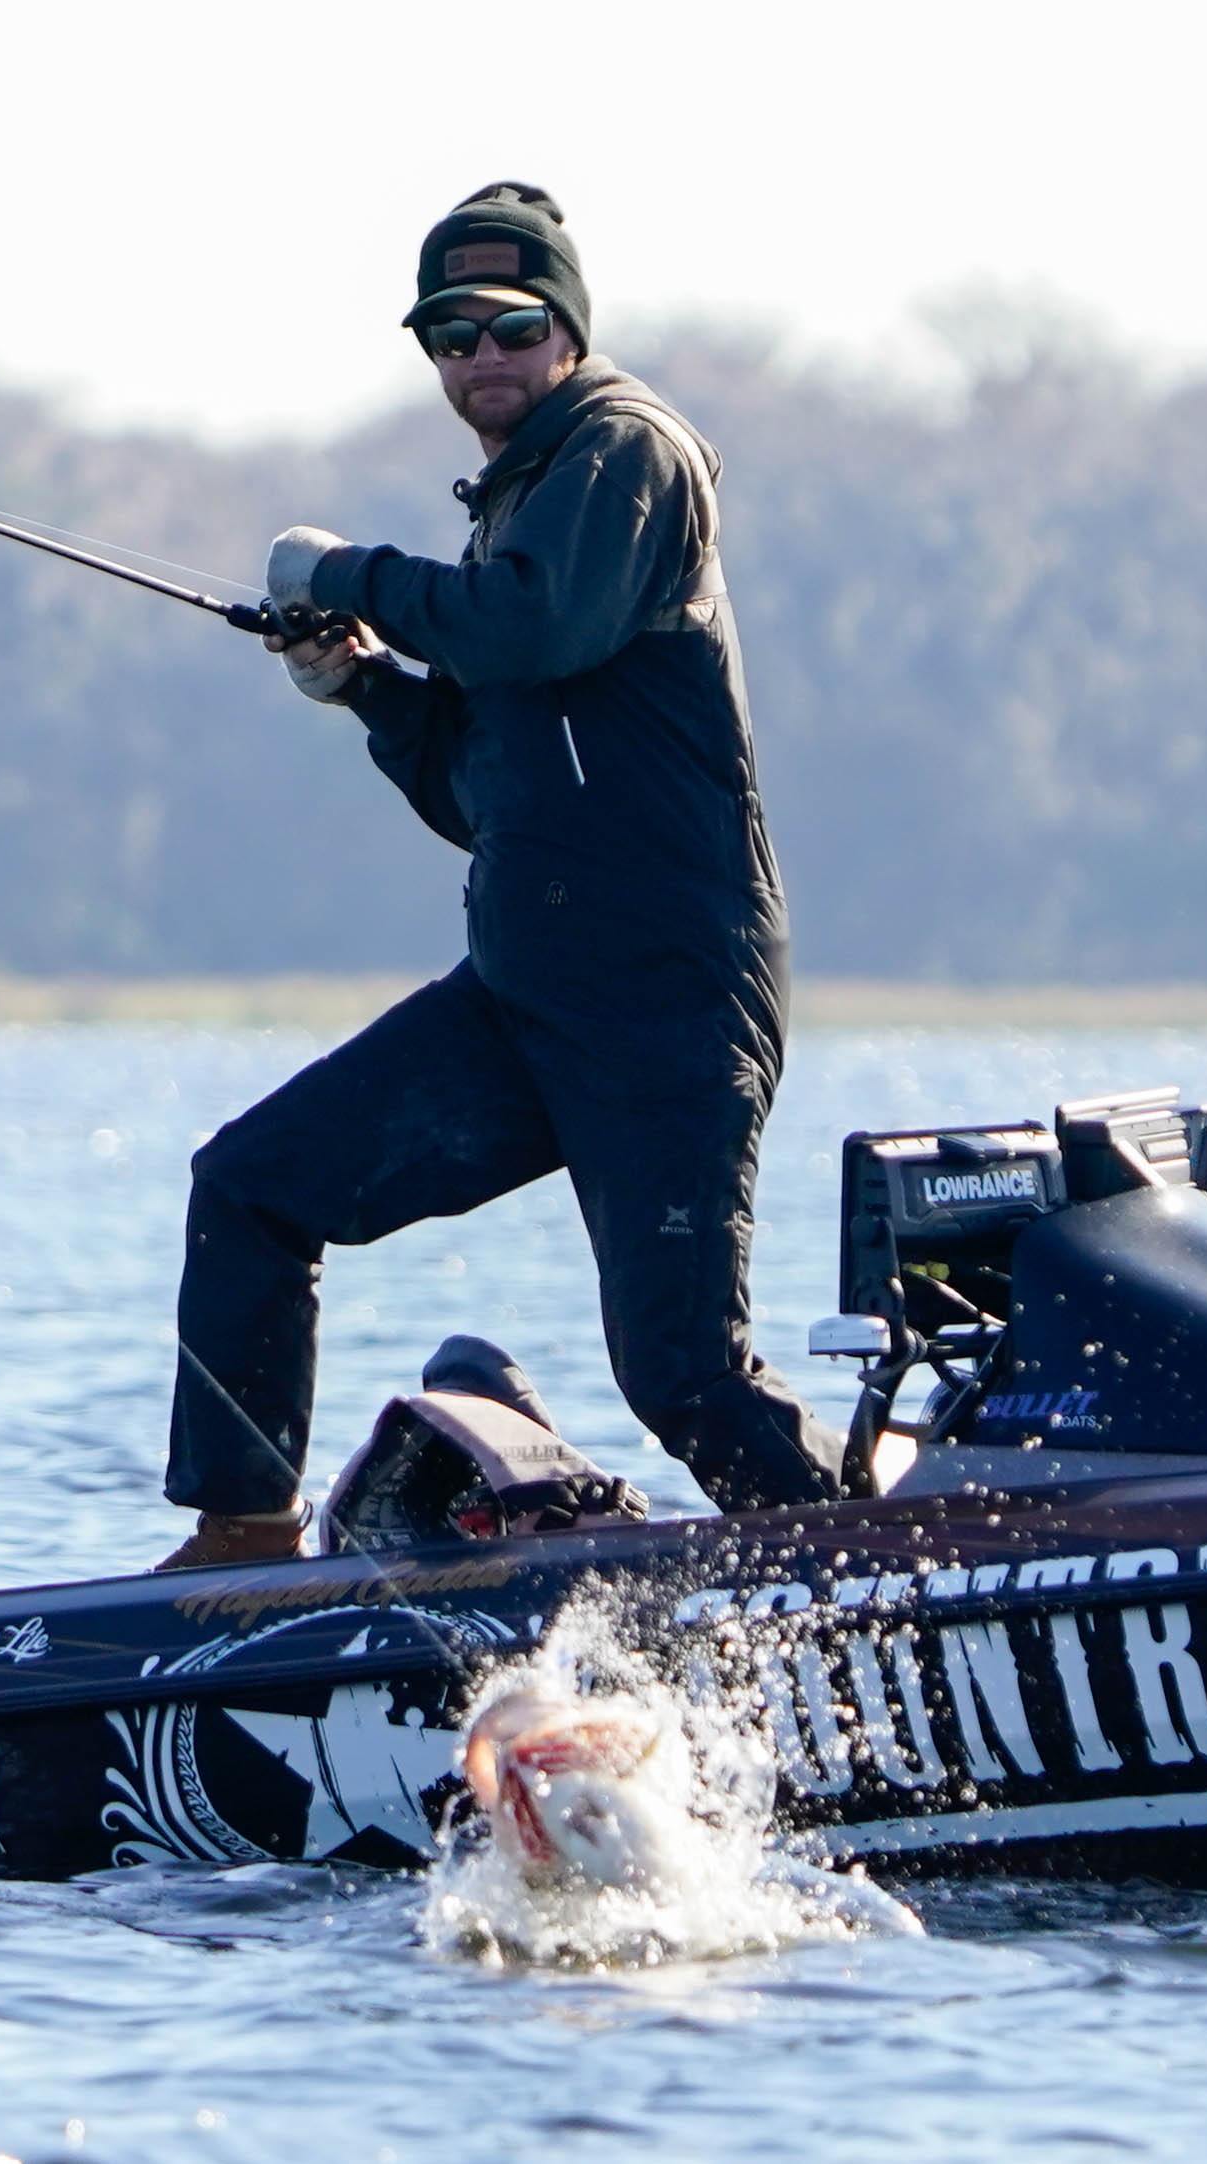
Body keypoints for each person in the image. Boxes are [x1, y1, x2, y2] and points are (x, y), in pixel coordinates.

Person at [155, 181, 839, 1570]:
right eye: (451, 334)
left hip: (664, 999)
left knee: (682, 1377)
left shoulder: (625, 452)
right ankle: (242, 1544)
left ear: (568, 331)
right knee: (252, 1188)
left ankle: (884, 1572)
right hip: (526, 997)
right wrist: (361, 685)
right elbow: (488, 797)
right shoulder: (520, 509)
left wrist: (353, 571)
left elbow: (531, 629)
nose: (483, 356)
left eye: (513, 327)